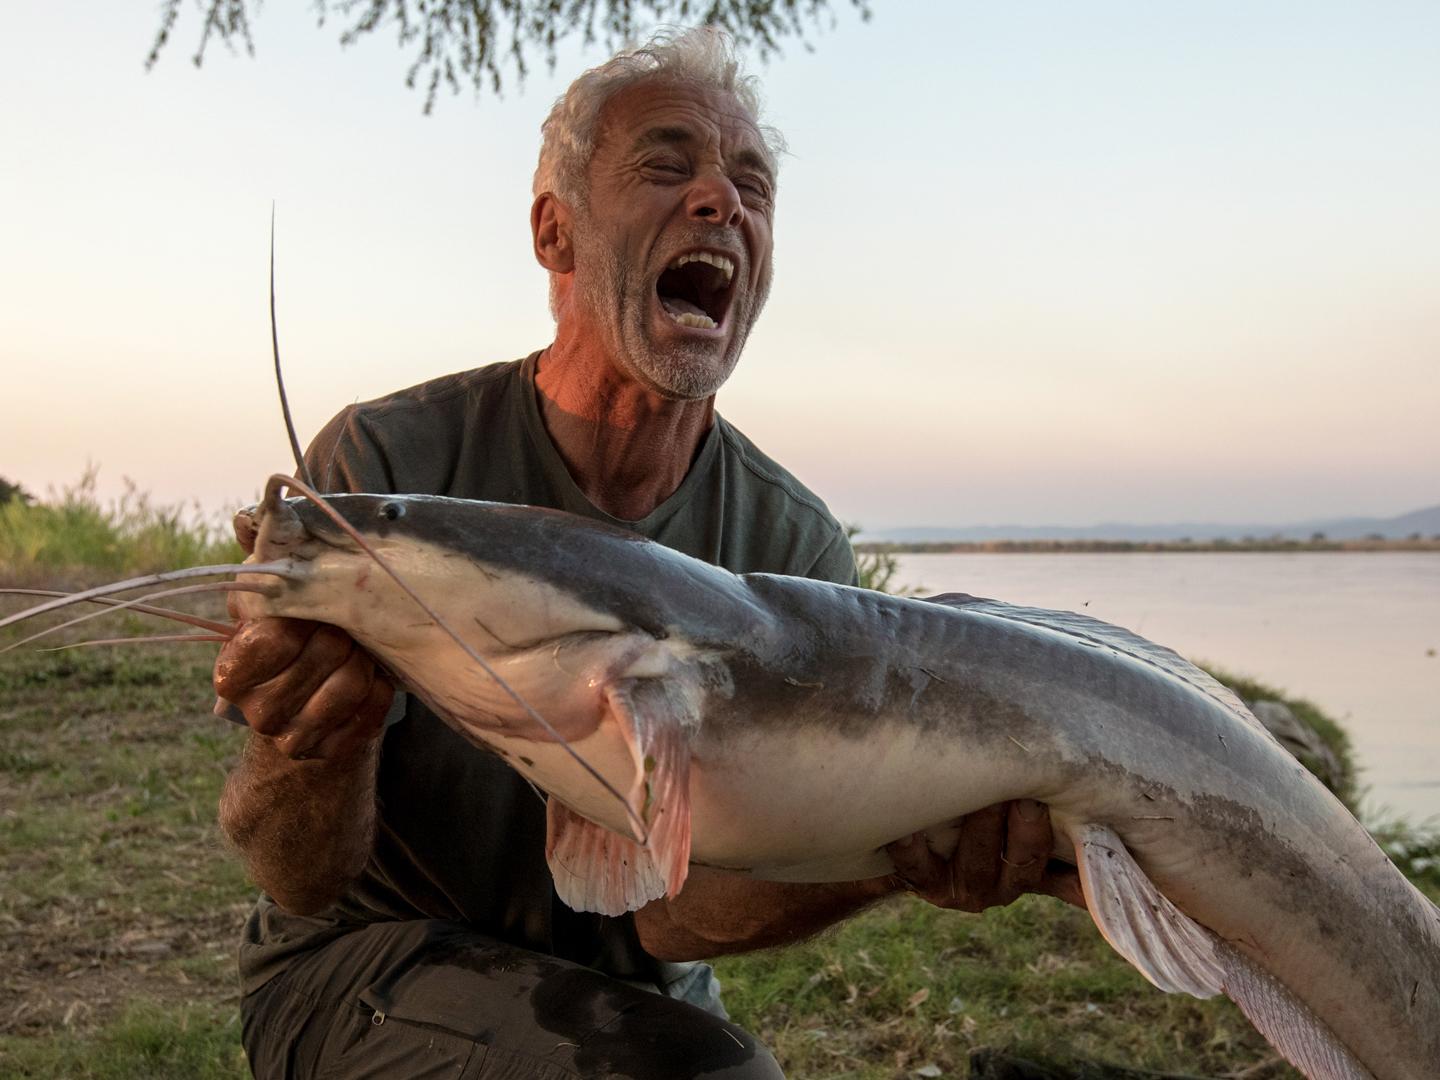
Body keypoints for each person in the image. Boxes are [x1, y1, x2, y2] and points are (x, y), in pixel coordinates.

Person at [213, 28, 1082, 1080]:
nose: (723, 199)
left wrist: (898, 852)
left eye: (752, 185)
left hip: (637, 996)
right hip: (360, 971)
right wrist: (313, 745)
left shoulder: (793, 544)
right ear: (556, 233)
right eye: (667, 166)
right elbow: (294, 874)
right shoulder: (385, 467)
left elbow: (676, 921)